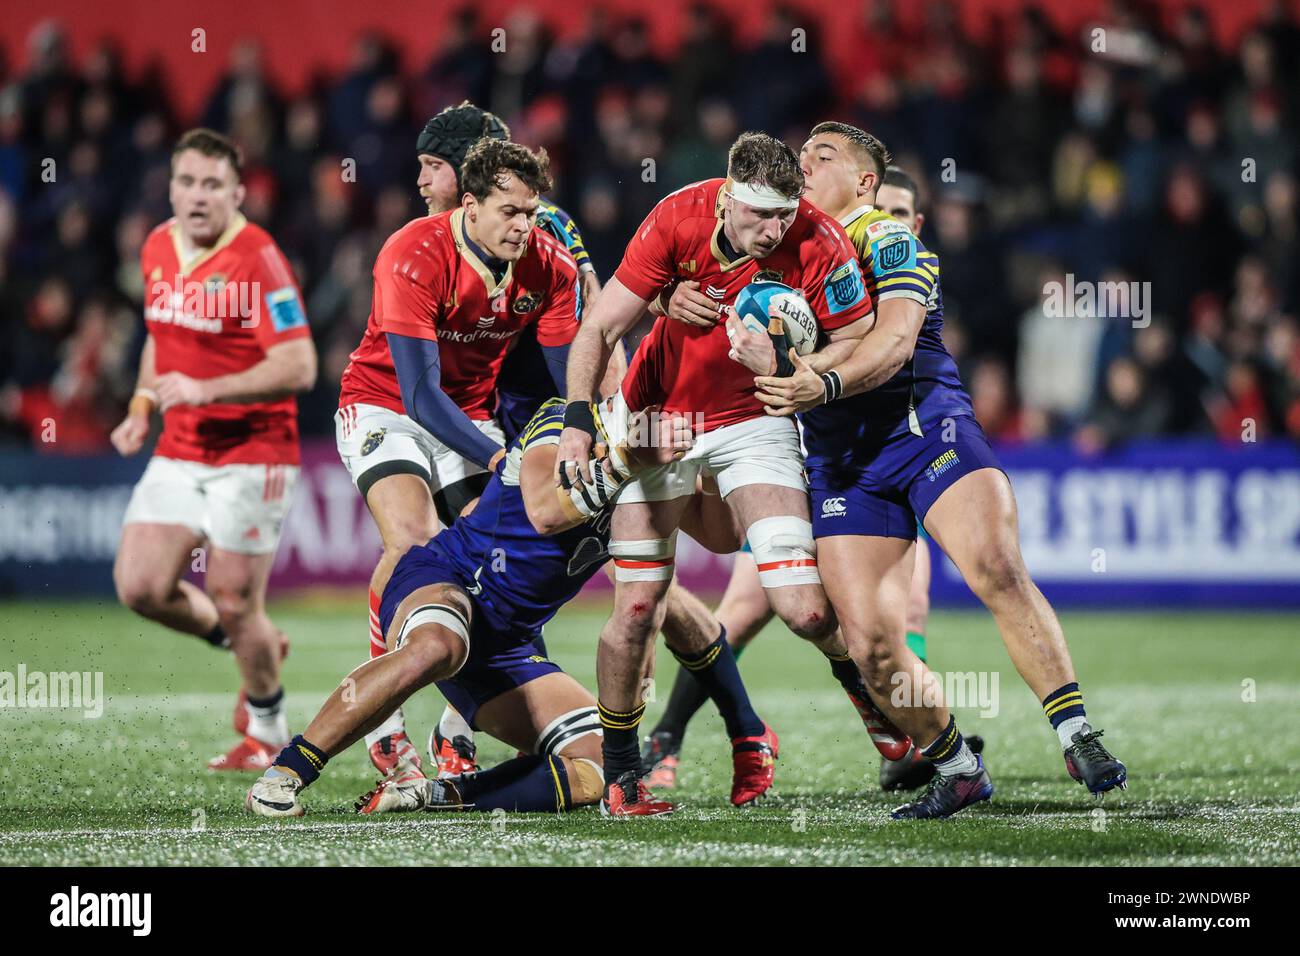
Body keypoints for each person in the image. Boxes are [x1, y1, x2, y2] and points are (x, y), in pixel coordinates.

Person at [752, 123, 1127, 817]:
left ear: (865, 182)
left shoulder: (888, 240)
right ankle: (957, 766)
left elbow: (894, 344)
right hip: (842, 461)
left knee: (994, 565)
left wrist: (820, 385)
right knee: (867, 643)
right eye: (801, 154)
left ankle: (1076, 733)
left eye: (823, 157)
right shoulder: (772, 248)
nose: (803, 163)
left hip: (925, 431)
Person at [555, 132, 915, 815]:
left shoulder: (817, 239)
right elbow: (600, 329)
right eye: (757, 216)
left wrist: (797, 369)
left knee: (804, 609)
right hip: (657, 420)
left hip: (755, 422)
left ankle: (874, 709)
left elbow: (860, 331)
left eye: (783, 214)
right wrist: (579, 420)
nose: (772, 230)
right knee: (635, 608)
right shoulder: (674, 218)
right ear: (726, 198)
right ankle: (625, 776)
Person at [247, 398, 778, 817]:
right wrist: (626, 461)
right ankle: (284, 774)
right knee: (439, 645)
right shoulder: (567, 421)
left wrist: (710, 457)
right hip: (446, 582)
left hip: (507, 649)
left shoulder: (660, 460)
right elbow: (547, 512)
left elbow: (724, 537)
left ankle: (433, 795)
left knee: (596, 768)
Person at [640, 163, 966, 795]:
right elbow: (720, 303)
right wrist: (662, 298)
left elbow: (881, 366)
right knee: (749, 609)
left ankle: (911, 741)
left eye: (899, 220)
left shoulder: (902, 295)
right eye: (879, 214)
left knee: (879, 612)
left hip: (863, 473)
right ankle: (672, 736)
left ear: (915, 226)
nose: (884, 231)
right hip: (790, 461)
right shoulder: (812, 262)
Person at [334, 133, 580, 780]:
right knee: (412, 539)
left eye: (533, 213)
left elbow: (570, 382)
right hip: (385, 406)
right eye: (510, 213)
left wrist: (594, 431)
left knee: (502, 563)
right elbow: (417, 393)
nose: (525, 227)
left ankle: (458, 724)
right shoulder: (412, 253)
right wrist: (501, 458)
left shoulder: (548, 266)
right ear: (469, 205)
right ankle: (383, 724)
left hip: (472, 414)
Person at [111, 128, 317, 770]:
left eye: (210, 185)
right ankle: (253, 644)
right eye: (186, 183)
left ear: (237, 192)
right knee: (141, 585)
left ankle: (266, 731)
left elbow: (300, 364)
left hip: (254, 452)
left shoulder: (259, 258)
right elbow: (159, 337)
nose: (196, 197)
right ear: (170, 187)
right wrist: (142, 405)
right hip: (179, 448)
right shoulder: (155, 247)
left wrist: (207, 387)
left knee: (232, 596)